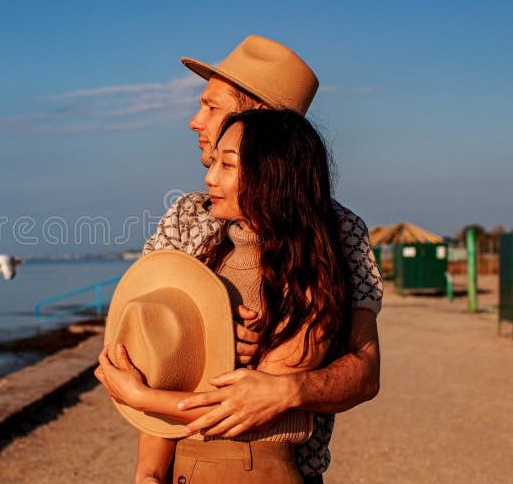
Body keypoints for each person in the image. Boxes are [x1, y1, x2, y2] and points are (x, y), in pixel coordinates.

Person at [118, 35, 382, 482]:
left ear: (258, 122)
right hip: (184, 460)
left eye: (212, 107)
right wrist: (207, 336)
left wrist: (287, 390)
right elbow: (139, 340)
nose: (194, 121)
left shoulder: (337, 234)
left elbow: (365, 370)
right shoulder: (188, 216)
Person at [98, 109, 353, 482]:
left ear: (274, 176)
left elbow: (250, 411)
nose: (209, 177)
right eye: (213, 162)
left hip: (252, 467)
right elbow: (175, 374)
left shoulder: (308, 278)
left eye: (228, 165)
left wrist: (140, 398)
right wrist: (148, 471)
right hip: (183, 462)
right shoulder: (211, 260)